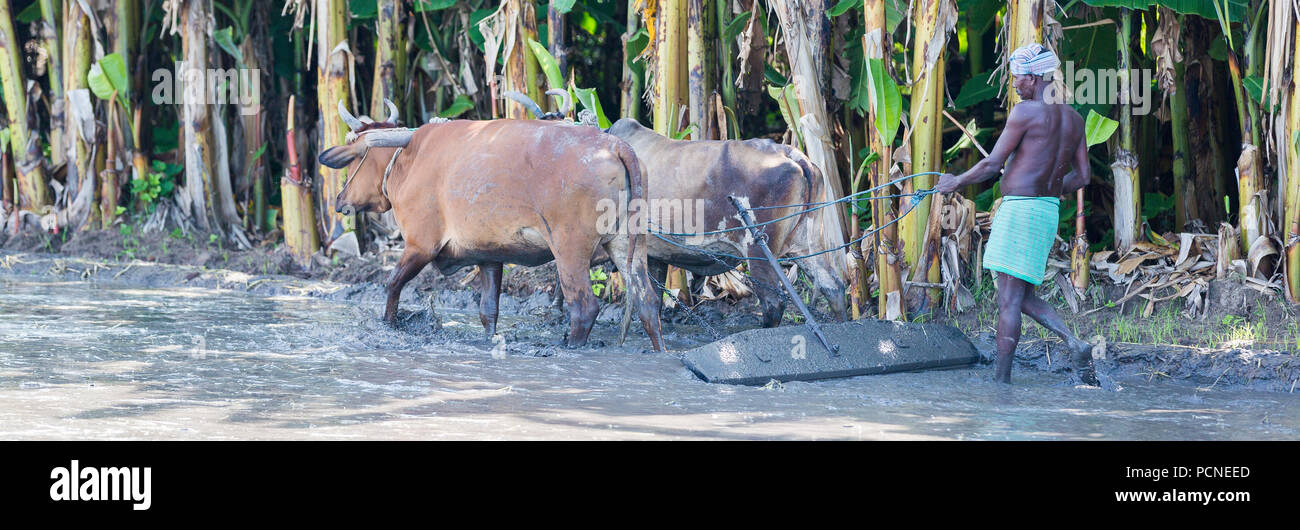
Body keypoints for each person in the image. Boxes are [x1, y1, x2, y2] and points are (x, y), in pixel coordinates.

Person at [933, 43, 1098, 385]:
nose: (1014, 83)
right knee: (1021, 295)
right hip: (1046, 212)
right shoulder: (1074, 118)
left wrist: (955, 181)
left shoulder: (1026, 112)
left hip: (1020, 211)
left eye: (1018, 76)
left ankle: (1001, 384)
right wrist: (1046, 189)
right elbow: (1082, 177)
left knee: (1008, 300)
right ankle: (1075, 342)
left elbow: (993, 164)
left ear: (1035, 77)